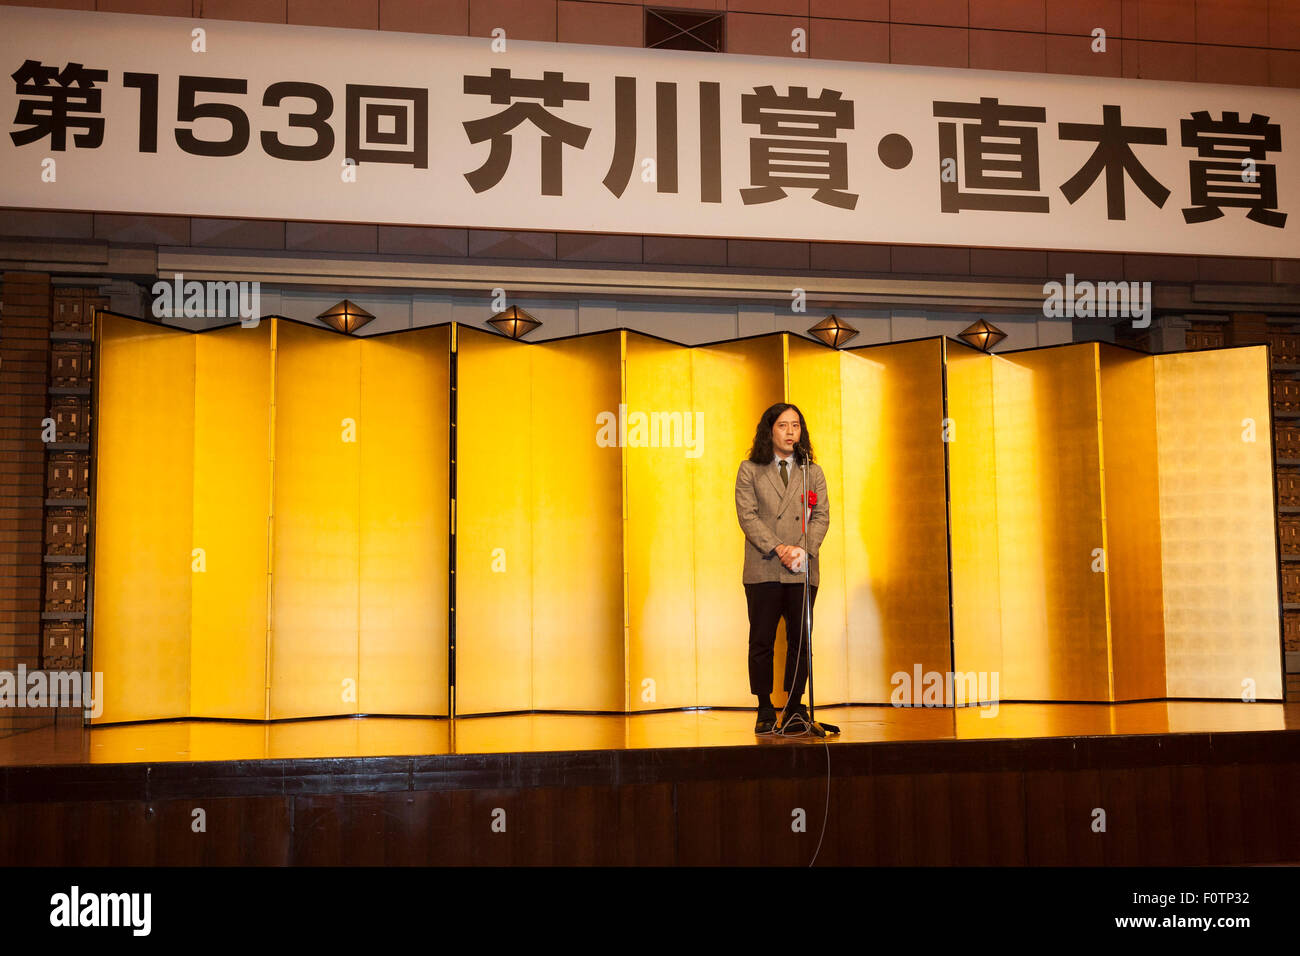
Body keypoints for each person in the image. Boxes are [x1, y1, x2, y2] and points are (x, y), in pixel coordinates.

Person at [733, 403, 829, 734]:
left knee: (800, 639)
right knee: (761, 639)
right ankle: (763, 706)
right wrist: (779, 548)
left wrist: (803, 549)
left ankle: (794, 705)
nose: (791, 432)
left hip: (802, 568)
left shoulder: (811, 472)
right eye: (783, 426)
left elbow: (821, 516)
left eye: (796, 426)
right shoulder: (750, 469)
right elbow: (748, 515)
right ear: (769, 430)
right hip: (764, 567)